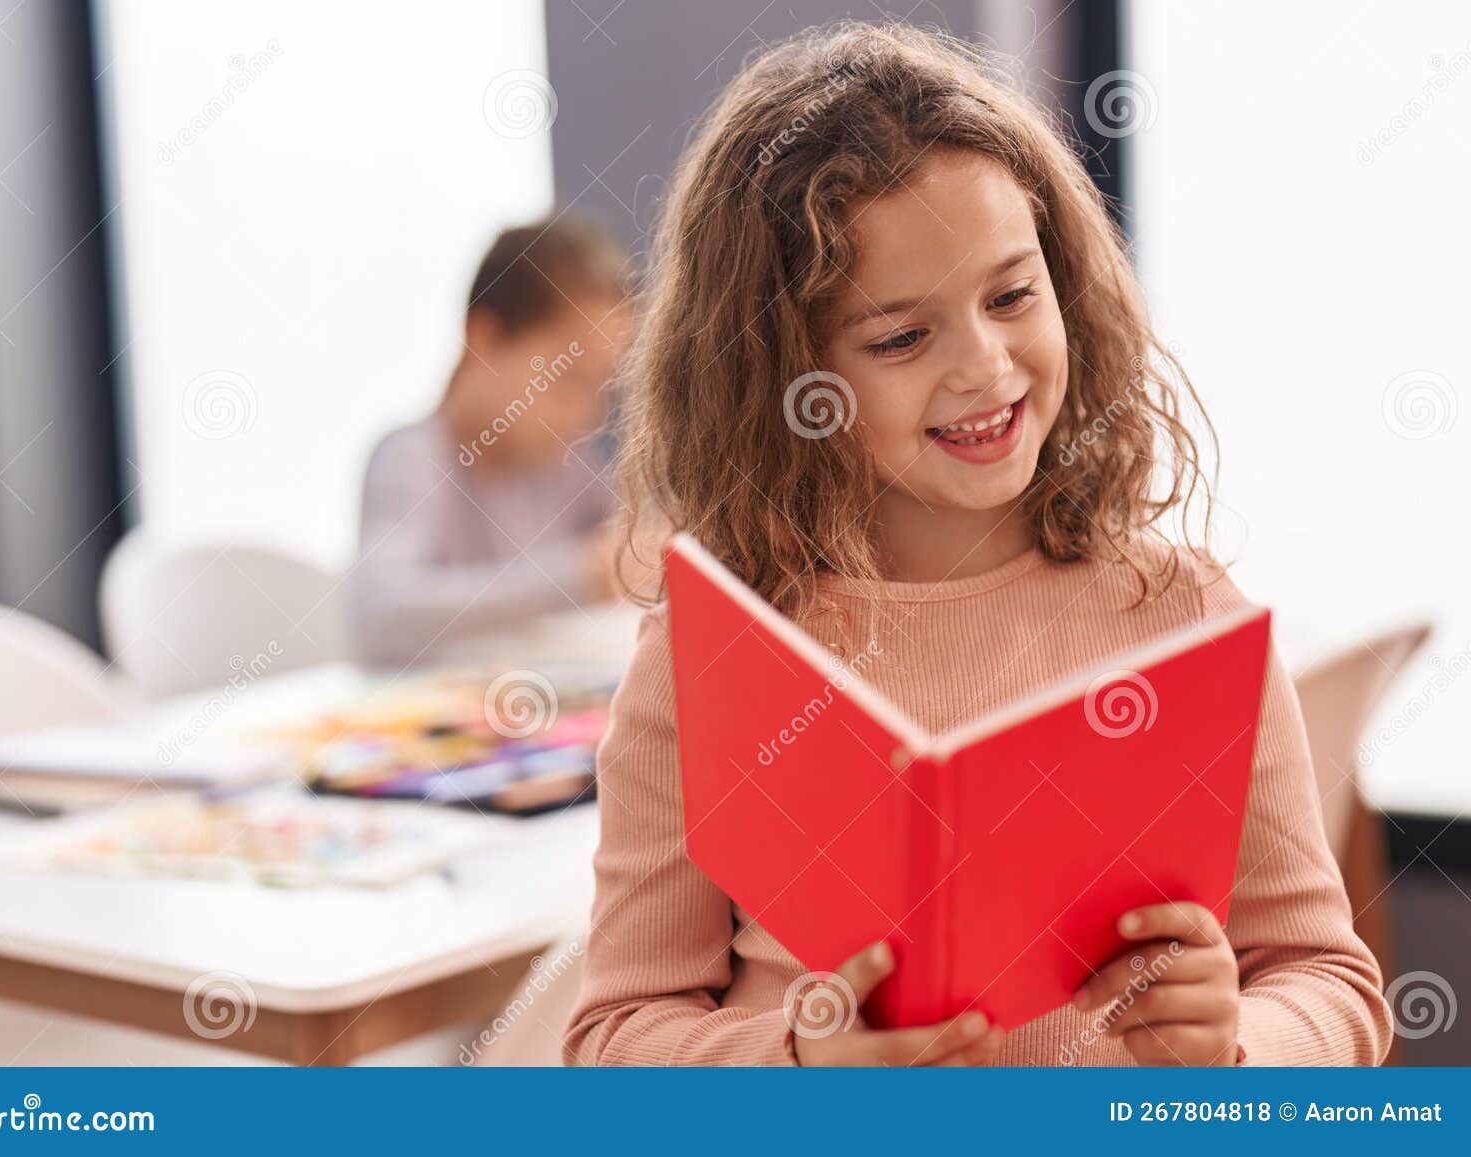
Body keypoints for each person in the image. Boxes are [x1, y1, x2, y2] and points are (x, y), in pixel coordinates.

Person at [563, 23, 1389, 1067]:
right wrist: (796, 1064)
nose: (985, 366)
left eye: (1011, 295)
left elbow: (1327, 978)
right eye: (901, 337)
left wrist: (1239, 1040)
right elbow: (613, 1037)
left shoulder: (1177, 609)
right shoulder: (709, 657)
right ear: (784, 380)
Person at [353, 217, 633, 667]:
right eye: (566, 380)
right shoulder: (414, 459)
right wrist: (581, 574)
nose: (589, 415)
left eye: (601, 388)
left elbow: (633, 546)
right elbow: (382, 616)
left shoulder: (567, 465)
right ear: (483, 338)